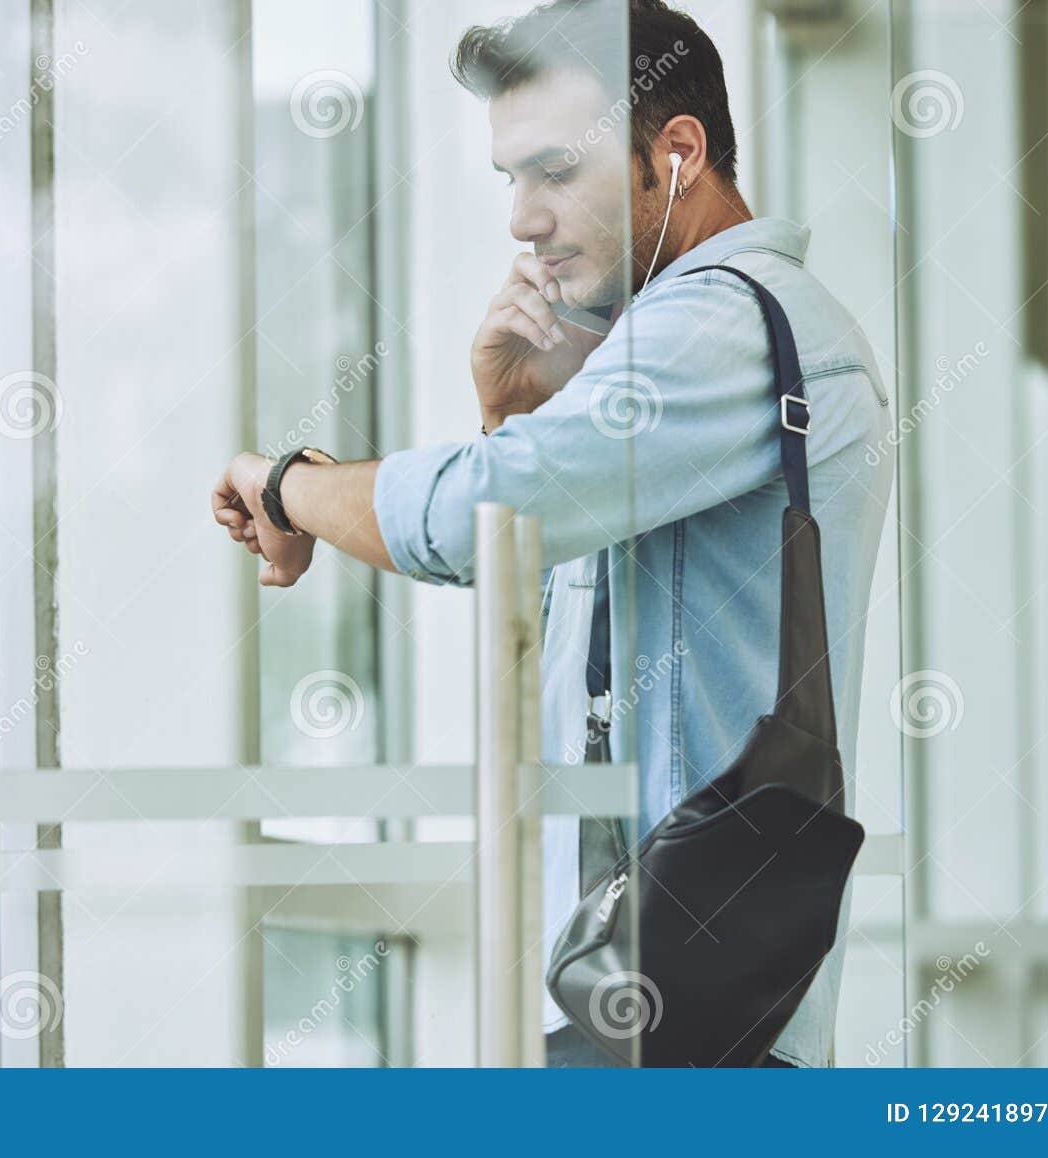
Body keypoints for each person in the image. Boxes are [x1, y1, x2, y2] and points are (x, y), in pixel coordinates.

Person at [212, 0, 892, 1067]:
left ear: (675, 154)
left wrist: (285, 481)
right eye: (508, 180)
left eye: (554, 171)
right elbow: (537, 592)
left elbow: (463, 517)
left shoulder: (718, 322)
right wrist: (513, 422)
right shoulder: (680, 341)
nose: (522, 219)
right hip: (642, 1002)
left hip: (699, 1032)